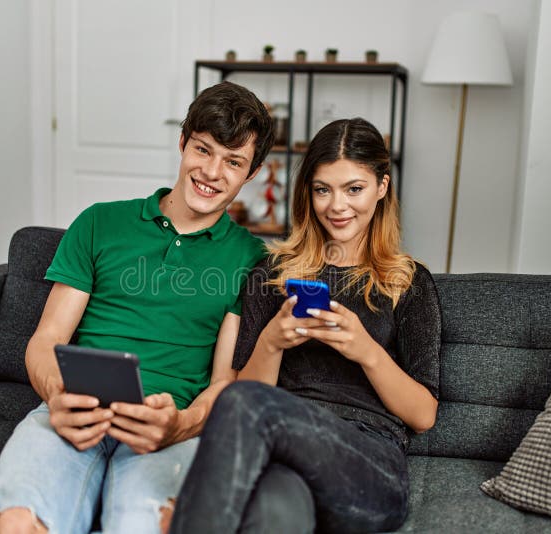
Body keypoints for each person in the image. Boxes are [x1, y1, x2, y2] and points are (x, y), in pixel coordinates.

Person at [0, 81, 275, 534]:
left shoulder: (251, 259)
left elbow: (223, 383)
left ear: (251, 173)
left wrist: (181, 425)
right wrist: (57, 397)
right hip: (78, 409)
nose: (212, 172)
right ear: (182, 143)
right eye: (203, 149)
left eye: (233, 161)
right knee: (15, 524)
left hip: (168, 426)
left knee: (144, 525)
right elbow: (47, 339)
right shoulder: (100, 222)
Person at [168, 118, 441, 534]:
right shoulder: (270, 275)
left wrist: (366, 351)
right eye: (322, 190)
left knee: (244, 403)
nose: (337, 206)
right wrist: (272, 342)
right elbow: (248, 398)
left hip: (369, 465)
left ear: (382, 187)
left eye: (354, 189)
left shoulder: (408, 282)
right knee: (276, 513)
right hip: (285, 457)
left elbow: (423, 416)